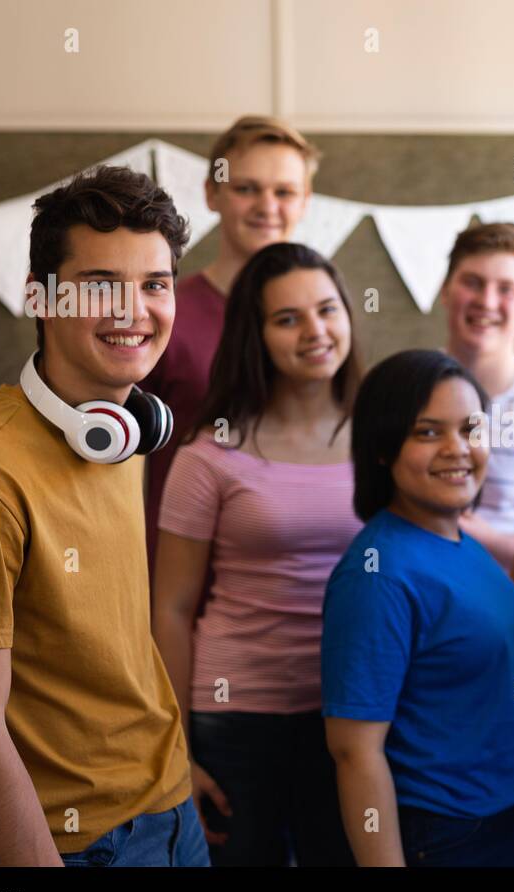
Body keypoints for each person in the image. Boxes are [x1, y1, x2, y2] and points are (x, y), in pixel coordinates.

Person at [0, 165, 205, 866]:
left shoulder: (123, 430)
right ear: (39, 296)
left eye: (154, 284)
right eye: (100, 283)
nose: (134, 310)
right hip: (75, 844)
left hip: (172, 813)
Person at [151, 243, 363, 866]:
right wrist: (178, 754)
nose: (315, 331)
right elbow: (171, 609)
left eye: (327, 309)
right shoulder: (208, 455)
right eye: (287, 318)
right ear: (256, 334)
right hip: (238, 716)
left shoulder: (384, 438)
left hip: (356, 716)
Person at [323, 350, 514, 866]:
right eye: (428, 432)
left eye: (470, 428)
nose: (457, 449)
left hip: (508, 818)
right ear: (384, 447)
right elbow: (354, 751)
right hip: (443, 834)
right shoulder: (377, 574)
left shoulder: (461, 541)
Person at [142, 115, 321, 577]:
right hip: (182, 578)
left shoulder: (325, 324)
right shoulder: (165, 318)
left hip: (296, 576)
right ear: (212, 193)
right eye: (247, 188)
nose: (267, 205)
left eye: (284, 192)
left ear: (305, 201)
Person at [441, 222, 514, 569]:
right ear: (445, 291)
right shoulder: (405, 391)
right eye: (472, 283)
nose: (487, 301)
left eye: (506, 289)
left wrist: (477, 537)